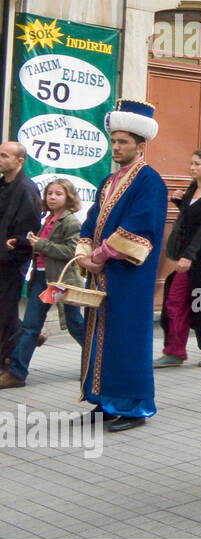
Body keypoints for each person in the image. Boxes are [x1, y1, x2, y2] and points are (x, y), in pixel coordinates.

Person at [74, 100, 167, 432]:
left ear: (141, 146)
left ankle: (133, 406)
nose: (116, 147)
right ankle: (103, 399)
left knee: (127, 337)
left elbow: (140, 229)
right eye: (114, 141)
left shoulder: (150, 182)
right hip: (102, 275)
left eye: (123, 142)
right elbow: (90, 221)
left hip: (129, 276)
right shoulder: (108, 181)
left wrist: (98, 257)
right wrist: (85, 251)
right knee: (99, 335)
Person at [0, 179, 86, 388]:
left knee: (76, 325)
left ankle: (98, 363)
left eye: (59, 194)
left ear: (69, 198)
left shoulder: (70, 222)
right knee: (30, 326)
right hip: (42, 279)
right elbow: (36, 245)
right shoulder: (47, 219)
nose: (53, 198)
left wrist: (42, 244)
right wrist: (20, 241)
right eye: (49, 194)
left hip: (61, 282)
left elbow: (70, 252)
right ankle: (17, 373)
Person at [156, 149, 201, 368]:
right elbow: (190, 220)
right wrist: (179, 202)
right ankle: (174, 351)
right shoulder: (192, 189)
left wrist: (189, 256)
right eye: (191, 163)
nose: (192, 167)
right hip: (187, 262)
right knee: (174, 302)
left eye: (197, 164)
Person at [0, 142, 41, 370]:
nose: (0, 159)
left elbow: (27, 231)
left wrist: (12, 247)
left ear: (20, 161)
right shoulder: (2, 185)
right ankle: (23, 333)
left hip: (11, 261)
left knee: (5, 312)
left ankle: (7, 363)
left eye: (4, 156)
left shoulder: (26, 189)